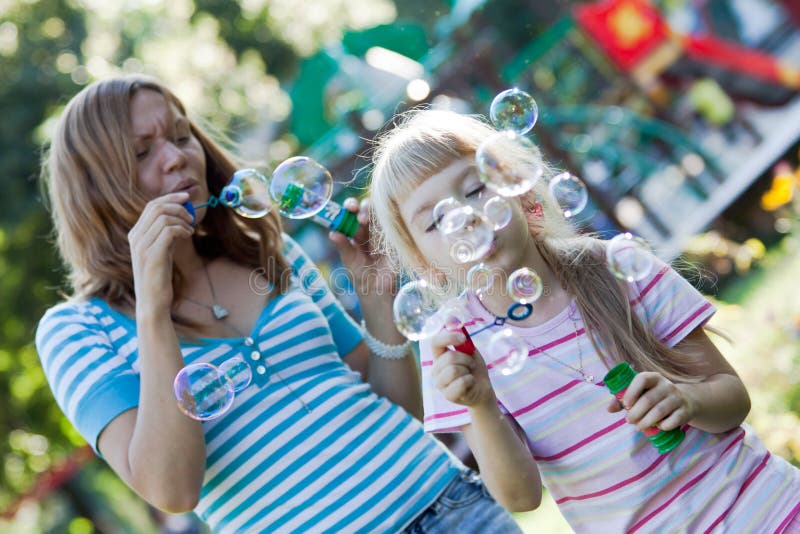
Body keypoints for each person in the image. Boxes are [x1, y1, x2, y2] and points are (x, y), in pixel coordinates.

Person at [34, 76, 525, 533]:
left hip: (452, 504)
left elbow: (400, 408)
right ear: (95, 190)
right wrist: (153, 309)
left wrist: (375, 292)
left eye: (182, 137)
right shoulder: (75, 331)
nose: (175, 158)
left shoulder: (269, 253)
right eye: (142, 151)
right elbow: (174, 490)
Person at [369, 109, 800, 533]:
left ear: (518, 188)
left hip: (768, 508)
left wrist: (689, 400)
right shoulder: (453, 345)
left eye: (476, 188)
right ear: (424, 262)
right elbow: (520, 498)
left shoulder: (617, 267)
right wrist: (480, 404)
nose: (466, 219)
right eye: (436, 221)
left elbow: (733, 399)